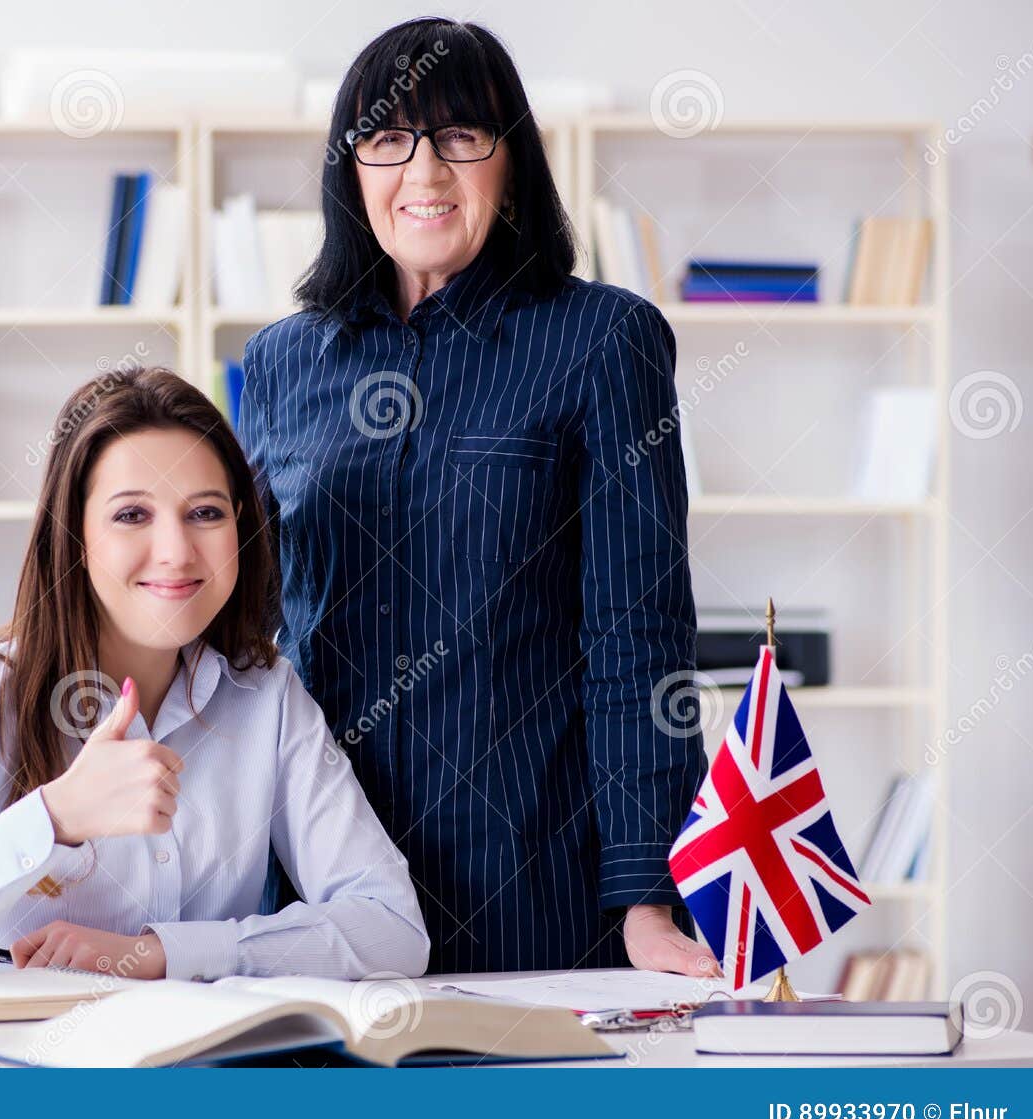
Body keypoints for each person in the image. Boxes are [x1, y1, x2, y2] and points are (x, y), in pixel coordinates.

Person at [239, 16, 720, 977]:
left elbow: (637, 636)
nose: (424, 175)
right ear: (351, 170)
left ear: (514, 162)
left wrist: (645, 892)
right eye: (387, 142)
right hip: (322, 884)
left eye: (461, 138)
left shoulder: (602, 342)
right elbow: (240, 625)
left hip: (536, 878)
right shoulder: (280, 360)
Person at [0, 365, 429, 982]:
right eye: (132, 515)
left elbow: (392, 931)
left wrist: (160, 954)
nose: (177, 551)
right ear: (74, 535)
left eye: (206, 513)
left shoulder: (266, 698)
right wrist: (54, 818)